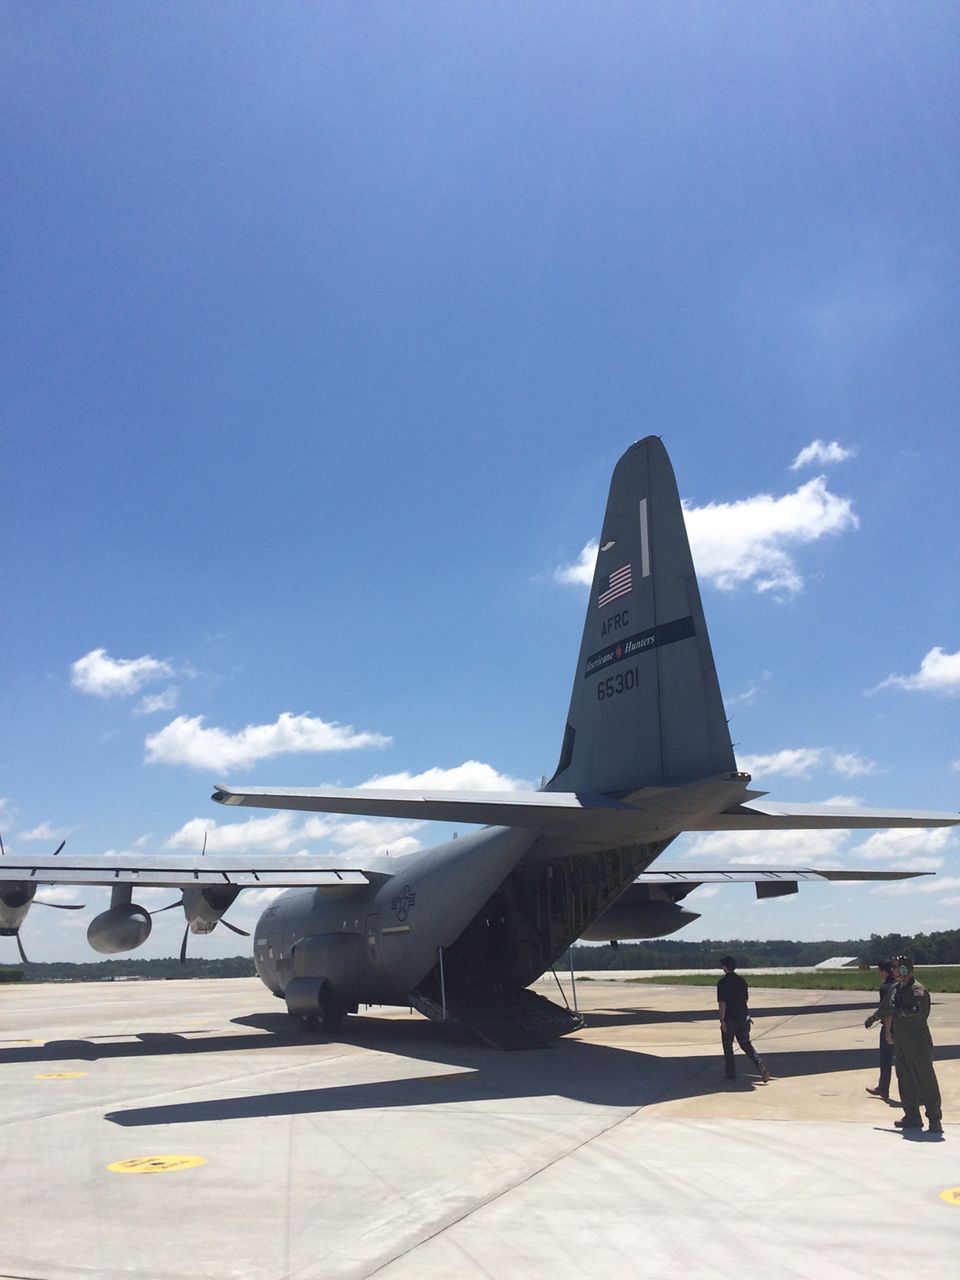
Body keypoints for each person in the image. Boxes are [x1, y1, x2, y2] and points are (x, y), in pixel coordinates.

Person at [888, 955, 943, 1135]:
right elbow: (887, 1007)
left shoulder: (917, 990)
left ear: (905, 970)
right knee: (905, 1080)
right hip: (902, 1043)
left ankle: (934, 1119)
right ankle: (912, 1117)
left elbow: (918, 1013)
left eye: (897, 967)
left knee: (925, 1081)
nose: (894, 971)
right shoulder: (897, 989)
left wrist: (900, 1012)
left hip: (918, 1044)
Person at [717, 955, 770, 1083]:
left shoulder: (722, 982)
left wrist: (722, 1020)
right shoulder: (742, 981)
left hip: (730, 1019)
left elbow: (722, 1002)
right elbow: (746, 999)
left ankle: (731, 1073)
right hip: (743, 1018)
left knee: (728, 1046)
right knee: (746, 1044)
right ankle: (759, 1063)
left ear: (725, 967)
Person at [864, 959, 896, 1100]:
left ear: (884, 971)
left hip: (890, 1027)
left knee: (885, 1058)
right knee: (907, 1061)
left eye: (880, 971)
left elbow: (886, 1010)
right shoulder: (900, 984)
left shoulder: (885, 987)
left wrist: (874, 1019)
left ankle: (883, 1088)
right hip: (905, 1028)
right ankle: (918, 1093)